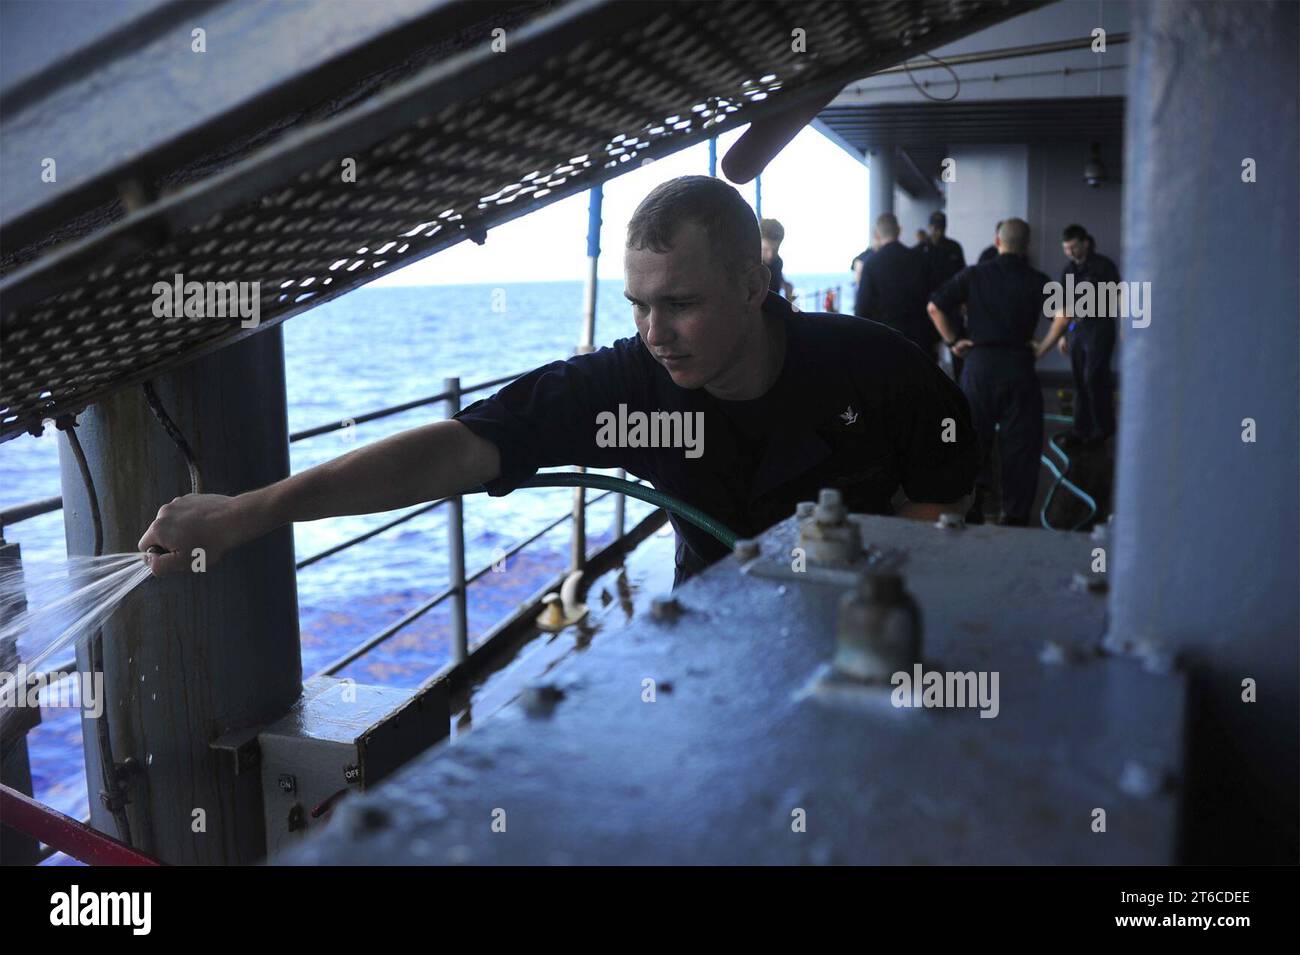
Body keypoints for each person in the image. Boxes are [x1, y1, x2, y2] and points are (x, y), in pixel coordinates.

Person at [139, 176, 978, 587]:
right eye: (638, 305)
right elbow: (454, 449)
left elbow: (952, 497)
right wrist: (248, 514)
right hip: (716, 647)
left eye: (681, 304)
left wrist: (862, 578)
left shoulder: (879, 368)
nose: (654, 333)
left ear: (755, 286)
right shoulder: (629, 390)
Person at [926, 218, 1050, 527]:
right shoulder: (1037, 279)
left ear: (997, 241)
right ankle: (1015, 517)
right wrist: (1043, 347)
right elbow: (1065, 313)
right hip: (1019, 366)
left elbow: (934, 307)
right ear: (1027, 245)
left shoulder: (974, 274)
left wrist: (953, 341)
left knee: (973, 440)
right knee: (1020, 446)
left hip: (979, 365)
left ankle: (973, 509)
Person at [1034, 224, 1119, 447]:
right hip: (1077, 329)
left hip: (1099, 326)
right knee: (1079, 380)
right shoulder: (1069, 270)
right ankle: (1081, 429)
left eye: (1073, 247)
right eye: (1066, 248)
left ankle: (1102, 429)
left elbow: (1118, 296)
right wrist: (1063, 335)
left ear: (1085, 243)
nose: (1070, 252)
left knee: (1094, 378)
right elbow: (1064, 305)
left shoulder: (1103, 266)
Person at [853, 212, 938, 358]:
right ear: (899, 230)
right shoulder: (920, 260)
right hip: (919, 340)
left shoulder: (871, 265)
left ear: (877, 234)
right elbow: (933, 300)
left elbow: (862, 310)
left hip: (885, 341)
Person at [925, 210, 966, 288]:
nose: (940, 232)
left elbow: (962, 274)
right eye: (936, 228)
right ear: (929, 227)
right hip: (928, 293)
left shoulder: (954, 247)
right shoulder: (920, 250)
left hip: (950, 292)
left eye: (942, 228)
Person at [759, 218, 795, 300]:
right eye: (765, 249)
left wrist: (785, 285)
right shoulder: (750, 264)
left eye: (775, 250)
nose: (770, 255)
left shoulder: (778, 262)